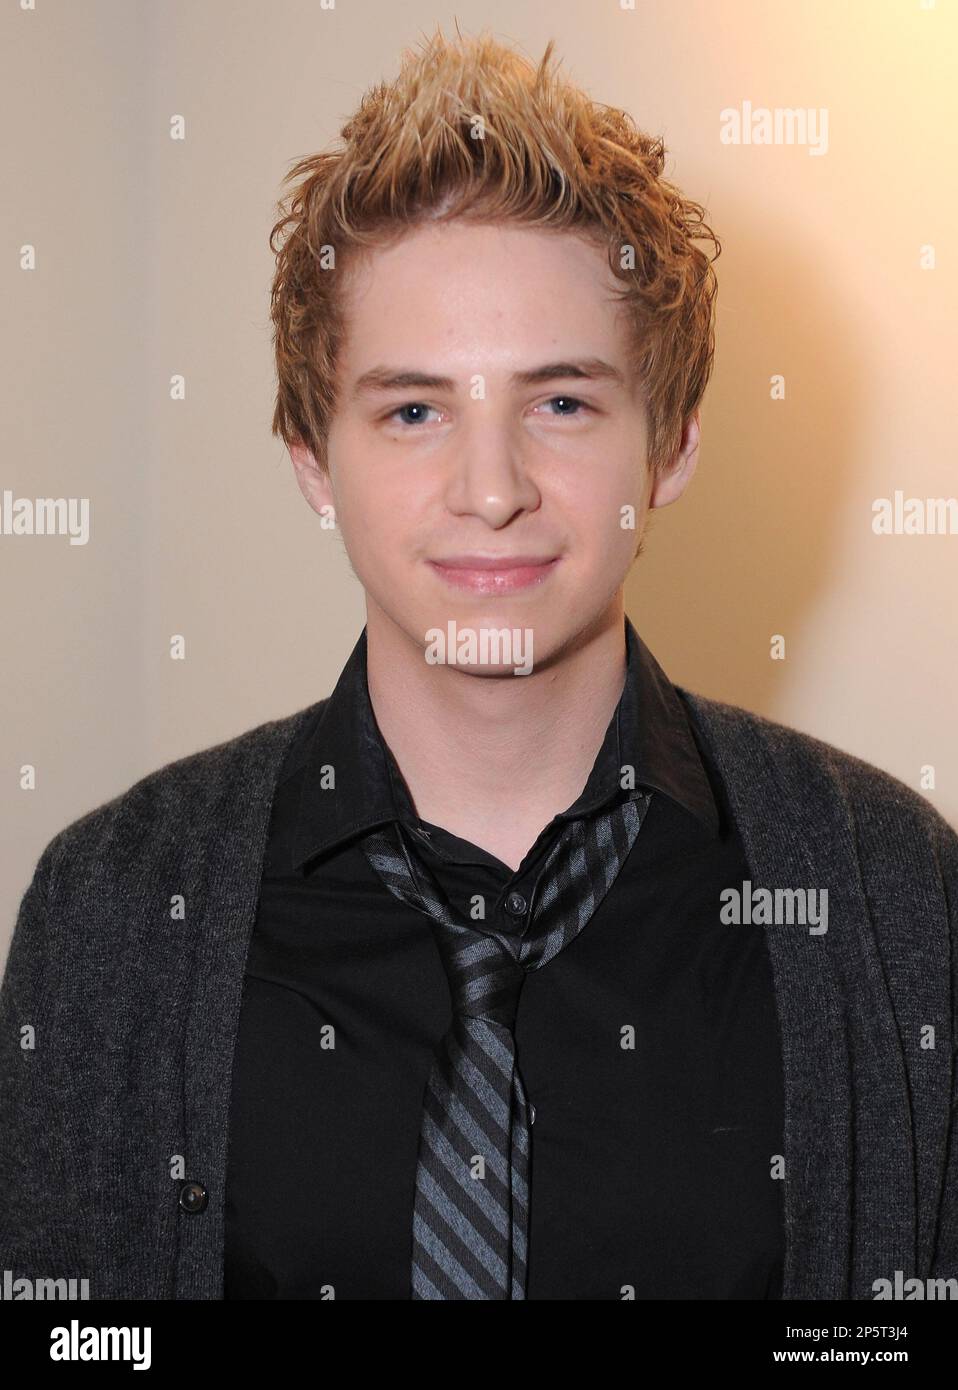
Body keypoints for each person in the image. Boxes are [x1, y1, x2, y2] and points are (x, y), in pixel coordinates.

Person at [1, 28, 956, 1303]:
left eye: (560, 403)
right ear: (309, 461)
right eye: (412, 410)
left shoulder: (894, 896)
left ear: (668, 445)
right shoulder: (111, 909)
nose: (491, 489)